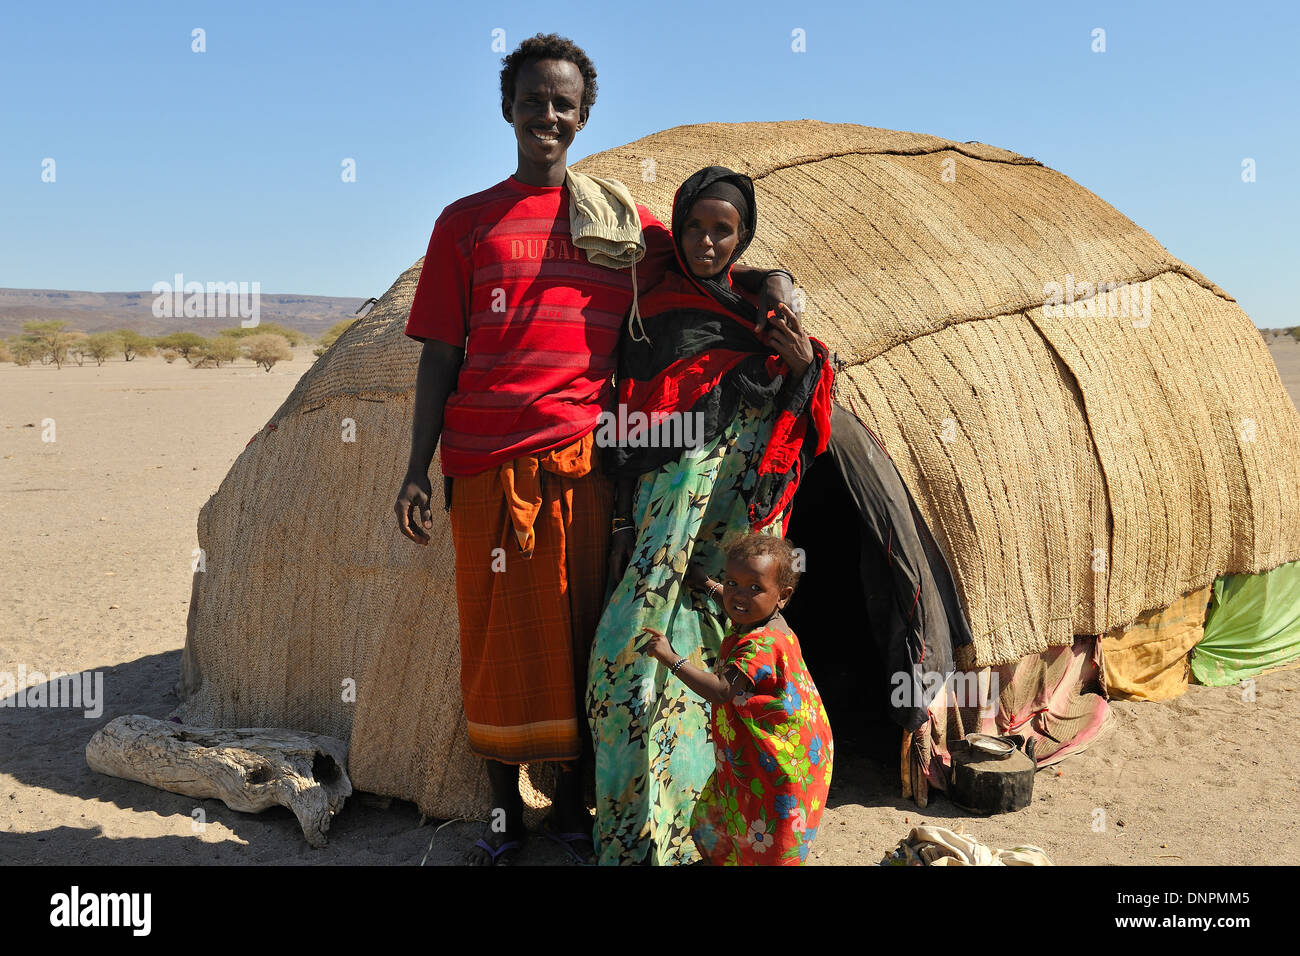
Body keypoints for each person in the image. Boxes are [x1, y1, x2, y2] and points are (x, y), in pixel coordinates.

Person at [393, 37, 796, 866]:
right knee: (496, 642)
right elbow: (439, 353)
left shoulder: (617, 226)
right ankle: (504, 815)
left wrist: (776, 286)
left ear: (585, 116)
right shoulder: (464, 223)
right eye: (534, 99)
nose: (549, 114)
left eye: (564, 103)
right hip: (484, 464)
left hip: (583, 463)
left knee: (584, 638)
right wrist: (413, 469)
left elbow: (709, 259)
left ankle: (575, 807)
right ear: (508, 108)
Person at [587, 166, 834, 865]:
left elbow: (802, 422)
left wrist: (797, 367)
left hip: (735, 547)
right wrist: (623, 526)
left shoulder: (765, 318)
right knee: (624, 666)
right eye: (695, 226)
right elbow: (627, 429)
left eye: (723, 231)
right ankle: (637, 839)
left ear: (742, 237)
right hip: (662, 536)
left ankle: (717, 838)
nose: (705, 241)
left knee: (732, 685)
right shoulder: (659, 306)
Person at [639, 533, 833, 865]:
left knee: (766, 831)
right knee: (732, 816)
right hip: (782, 749)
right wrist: (709, 584)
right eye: (733, 583)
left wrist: (670, 657)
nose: (739, 596)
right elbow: (737, 603)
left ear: (782, 596)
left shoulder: (760, 644)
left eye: (754, 587)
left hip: (777, 763)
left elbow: (720, 690)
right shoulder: (762, 619)